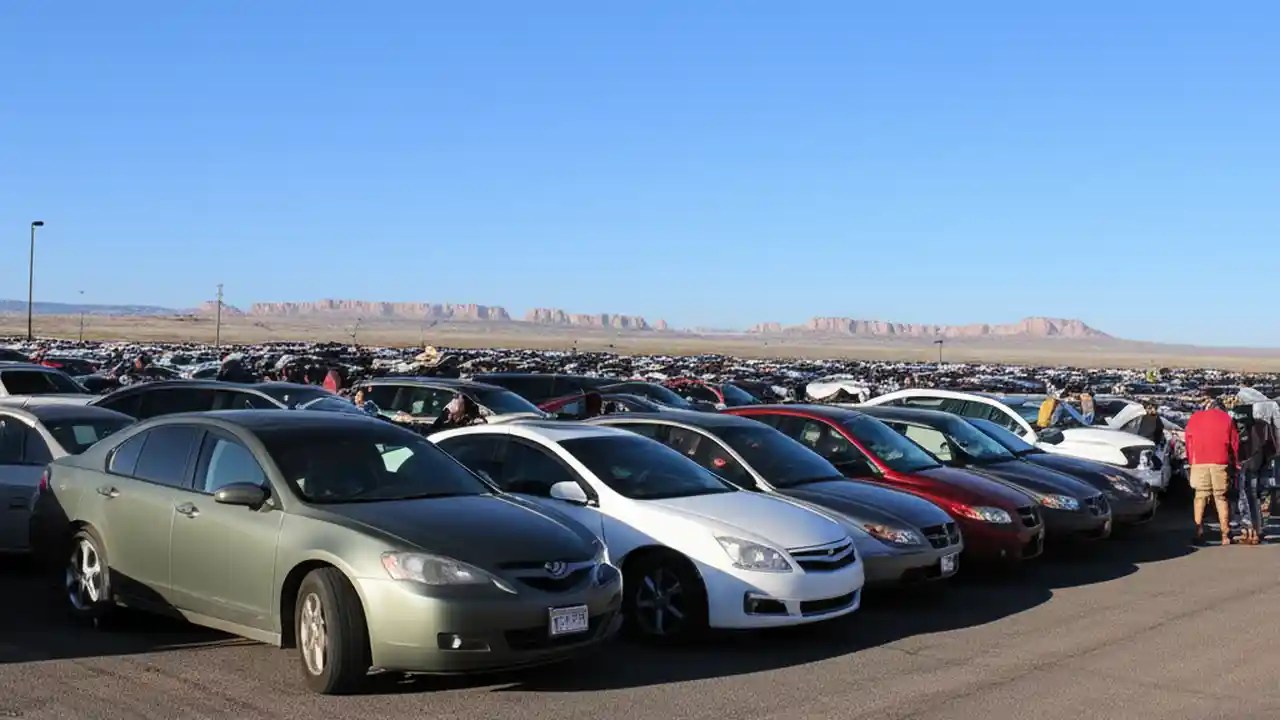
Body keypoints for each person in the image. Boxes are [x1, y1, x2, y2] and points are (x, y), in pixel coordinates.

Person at [1185, 397, 1240, 545]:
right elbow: (1234, 444)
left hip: (1199, 462)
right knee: (1220, 497)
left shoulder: (1194, 418)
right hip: (1220, 461)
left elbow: (1188, 442)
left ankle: (1198, 531)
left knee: (1200, 496)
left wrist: (1191, 461)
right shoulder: (1226, 419)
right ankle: (1225, 535)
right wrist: (1236, 463)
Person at [1234, 405, 1277, 545]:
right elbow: (1271, 447)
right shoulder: (1262, 426)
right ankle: (1257, 530)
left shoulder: (1238, 427)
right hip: (1260, 466)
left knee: (1246, 498)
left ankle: (1250, 531)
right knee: (1255, 498)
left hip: (1245, 466)